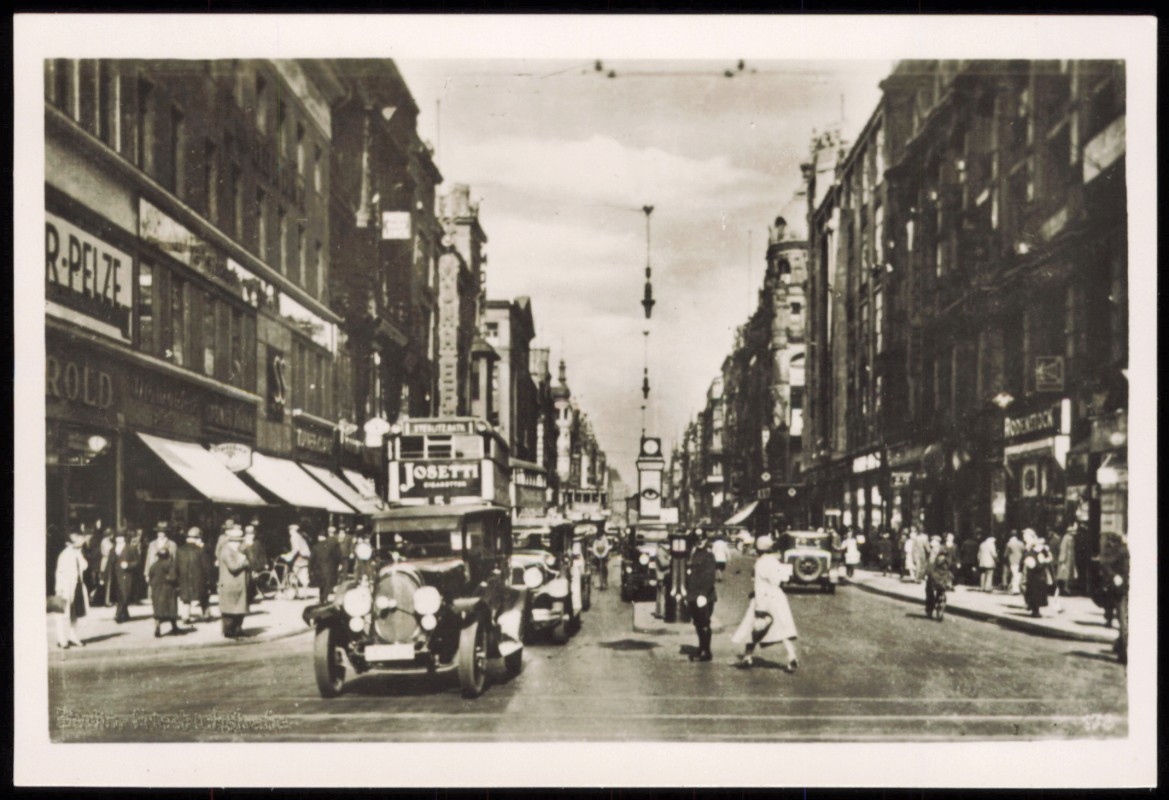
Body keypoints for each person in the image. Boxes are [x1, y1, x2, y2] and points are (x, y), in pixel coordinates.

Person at [732, 535, 799, 671]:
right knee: (783, 629)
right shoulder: (775, 561)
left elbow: (759, 585)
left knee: (753, 627)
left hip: (763, 598)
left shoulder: (760, 563)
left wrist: (760, 607)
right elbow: (782, 578)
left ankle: (747, 657)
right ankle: (791, 656)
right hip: (778, 597)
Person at [52, 531, 90, 649]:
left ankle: (73, 636)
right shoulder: (64, 555)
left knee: (75, 614)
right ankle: (62, 640)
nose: (81, 541)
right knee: (62, 615)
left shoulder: (77, 553)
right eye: (77, 539)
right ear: (69, 542)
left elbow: (84, 566)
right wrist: (59, 589)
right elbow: (60, 572)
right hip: (65, 588)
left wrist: (79, 554)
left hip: (76, 586)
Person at [685, 530, 718, 662]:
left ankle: (706, 651)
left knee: (704, 622)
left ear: (706, 541)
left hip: (703, 596)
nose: (700, 542)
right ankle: (701, 648)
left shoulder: (708, 556)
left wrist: (703, 594)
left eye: (702, 539)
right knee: (698, 623)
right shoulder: (693, 554)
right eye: (697, 540)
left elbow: (709, 577)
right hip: (693, 595)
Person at [1097, 531, 1129, 664]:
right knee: (1124, 621)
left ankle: (1121, 646)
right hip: (1122, 591)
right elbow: (1104, 562)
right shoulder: (1120, 549)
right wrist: (1115, 576)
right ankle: (1125, 653)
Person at [218, 527, 250, 638]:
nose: (240, 544)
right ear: (232, 541)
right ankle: (228, 631)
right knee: (229, 610)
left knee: (239, 609)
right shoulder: (226, 551)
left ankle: (238, 629)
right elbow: (233, 567)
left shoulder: (235, 551)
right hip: (230, 585)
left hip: (238, 585)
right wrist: (244, 562)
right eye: (238, 541)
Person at [105, 530, 139, 624]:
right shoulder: (113, 549)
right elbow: (109, 564)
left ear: (124, 538)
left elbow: (137, 562)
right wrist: (104, 576)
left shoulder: (131, 549)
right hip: (115, 576)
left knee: (125, 594)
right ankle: (125, 614)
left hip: (127, 575)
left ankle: (118, 615)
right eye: (117, 537)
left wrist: (128, 565)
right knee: (119, 595)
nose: (118, 539)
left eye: (121, 537)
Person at [176, 528, 208, 624]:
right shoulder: (200, 550)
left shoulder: (180, 550)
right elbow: (206, 566)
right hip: (199, 577)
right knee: (203, 595)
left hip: (184, 577)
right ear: (197, 538)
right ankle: (206, 614)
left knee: (185, 598)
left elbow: (176, 565)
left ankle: (185, 616)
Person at [148, 547, 181, 637]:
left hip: (157, 591)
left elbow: (150, 577)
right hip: (168, 590)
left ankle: (157, 628)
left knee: (158, 611)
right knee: (171, 609)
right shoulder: (170, 564)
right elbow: (173, 577)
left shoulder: (154, 565)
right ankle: (174, 627)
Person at [1021, 529, 1054, 617]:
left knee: (1034, 591)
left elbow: (1041, 562)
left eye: (1026, 536)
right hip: (1035, 573)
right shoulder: (1032, 550)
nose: (1025, 538)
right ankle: (1032, 607)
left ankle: (1034, 609)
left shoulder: (1035, 550)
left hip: (1036, 574)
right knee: (1032, 591)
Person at [144, 523, 176, 599]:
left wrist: (173, 573)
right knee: (154, 592)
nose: (160, 534)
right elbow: (148, 559)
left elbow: (174, 559)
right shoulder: (152, 544)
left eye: (162, 532)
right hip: (154, 570)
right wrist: (146, 573)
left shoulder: (172, 544)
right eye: (159, 532)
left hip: (166, 571)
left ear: (166, 533)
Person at [310, 531, 342, 602]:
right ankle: (325, 598)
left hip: (318, 569)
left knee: (321, 584)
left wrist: (310, 570)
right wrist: (338, 564)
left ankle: (322, 598)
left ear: (319, 538)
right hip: (329, 568)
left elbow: (312, 560)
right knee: (328, 584)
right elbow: (337, 556)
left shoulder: (315, 547)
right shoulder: (331, 546)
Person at [925, 550, 955, 617]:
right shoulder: (948, 563)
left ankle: (929, 610)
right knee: (938, 591)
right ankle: (934, 608)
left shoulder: (934, 562)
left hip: (936, 579)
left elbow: (930, 569)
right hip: (943, 580)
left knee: (929, 592)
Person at [242, 526, 268, 603]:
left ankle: (250, 598)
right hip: (246, 566)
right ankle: (247, 599)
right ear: (246, 534)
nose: (251, 535)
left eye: (252, 534)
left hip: (256, 566)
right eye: (249, 534)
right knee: (247, 582)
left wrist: (264, 563)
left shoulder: (257, 543)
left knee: (253, 582)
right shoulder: (243, 544)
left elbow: (262, 554)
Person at [282, 523, 311, 589]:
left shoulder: (294, 536)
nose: (289, 532)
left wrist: (289, 556)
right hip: (305, 556)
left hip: (302, 557)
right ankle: (296, 589)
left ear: (292, 530)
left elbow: (296, 548)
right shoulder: (298, 536)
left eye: (290, 530)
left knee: (295, 571)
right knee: (295, 571)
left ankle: (295, 588)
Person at [1055, 524, 1078, 599]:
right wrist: (1062, 560)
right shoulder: (1066, 538)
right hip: (1066, 560)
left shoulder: (1071, 538)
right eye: (1073, 531)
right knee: (1064, 574)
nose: (1075, 532)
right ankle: (1064, 588)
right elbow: (1063, 548)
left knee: (1067, 574)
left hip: (1070, 559)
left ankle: (1065, 587)